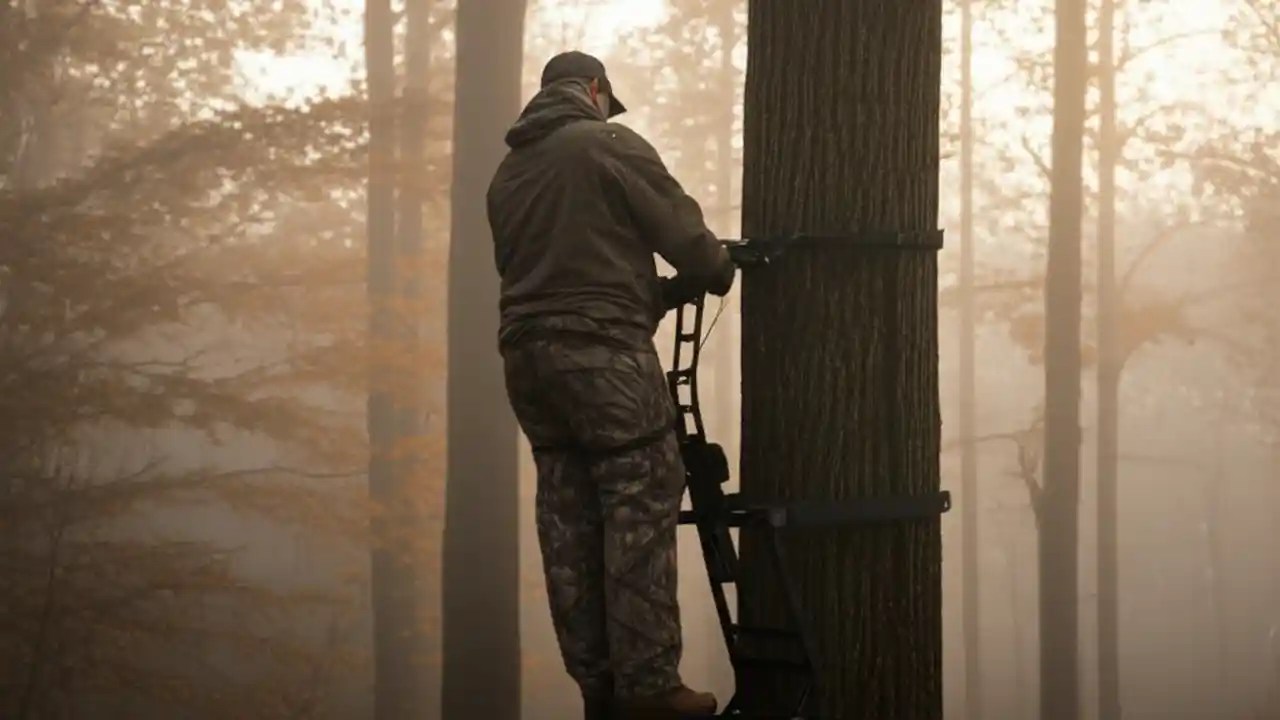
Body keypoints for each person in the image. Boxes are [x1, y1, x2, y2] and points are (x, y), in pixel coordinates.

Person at [487, 50, 735, 719]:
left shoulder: (509, 175)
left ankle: (601, 691)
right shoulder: (607, 144)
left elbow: (562, 277)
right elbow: (681, 231)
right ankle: (650, 686)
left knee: (569, 516)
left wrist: (650, 295)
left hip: (528, 366)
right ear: (594, 89)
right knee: (641, 491)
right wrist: (713, 267)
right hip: (602, 358)